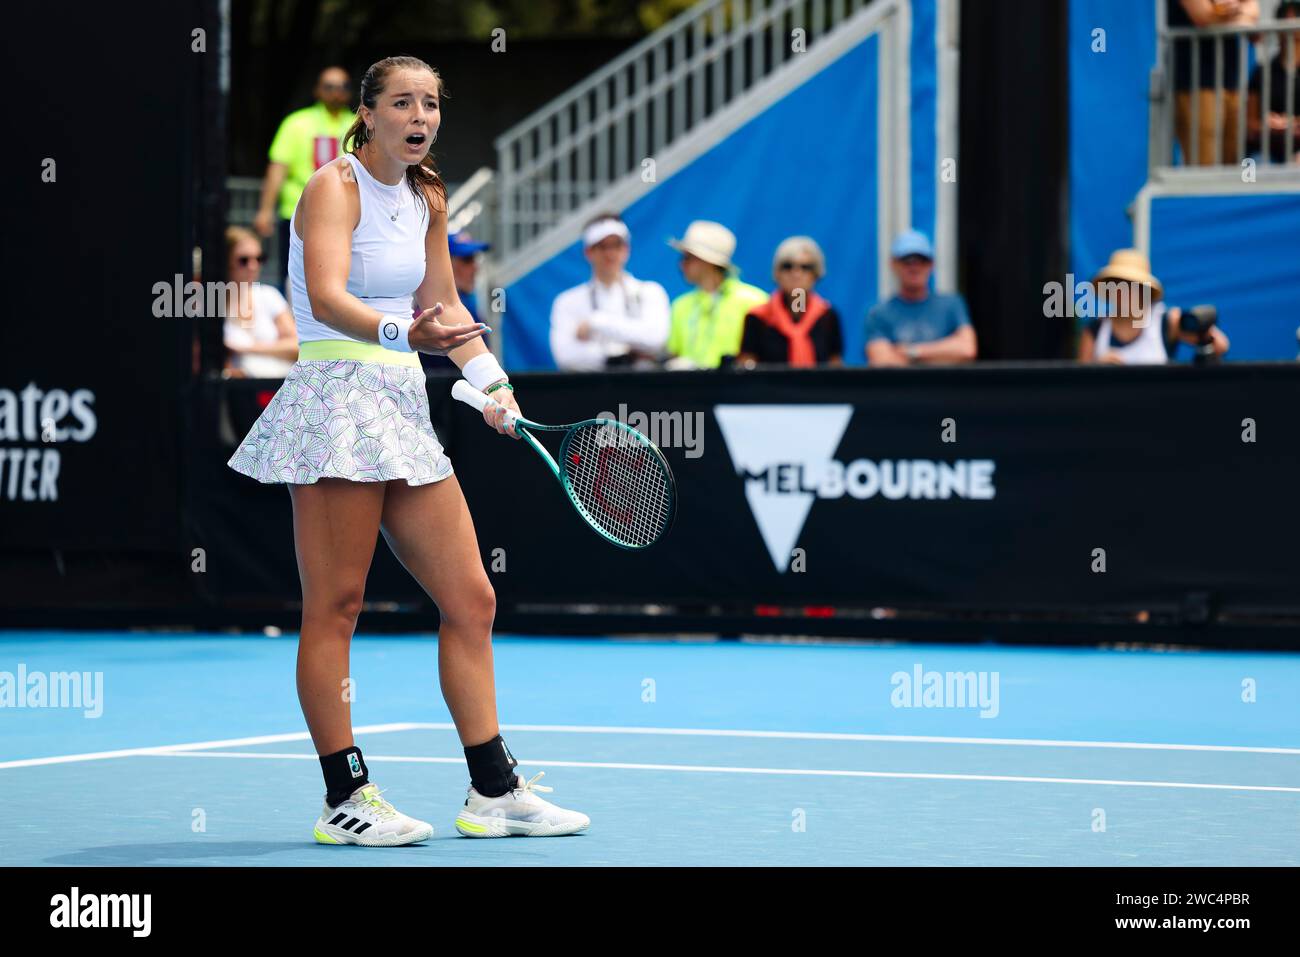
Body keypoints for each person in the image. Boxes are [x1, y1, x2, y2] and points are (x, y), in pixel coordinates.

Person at [228, 56, 589, 846]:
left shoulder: (427, 194)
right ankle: (343, 795)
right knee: (337, 606)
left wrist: (493, 383)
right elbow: (325, 296)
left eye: (430, 103)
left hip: (400, 404)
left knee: (472, 598)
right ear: (369, 113)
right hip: (333, 400)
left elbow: (443, 303)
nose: (420, 116)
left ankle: (494, 790)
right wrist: (405, 334)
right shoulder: (334, 186)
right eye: (402, 102)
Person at [253, 67, 357, 287]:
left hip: (347, 214)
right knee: (293, 277)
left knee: (344, 278)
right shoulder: (297, 122)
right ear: (317, 90)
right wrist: (265, 211)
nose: (336, 92)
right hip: (297, 212)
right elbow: (278, 168)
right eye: (329, 86)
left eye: (343, 87)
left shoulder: (360, 124)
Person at [549, 213, 670, 370]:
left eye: (616, 245)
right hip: (591, 391)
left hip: (644, 391)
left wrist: (596, 322)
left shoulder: (651, 292)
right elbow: (565, 355)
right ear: (588, 252)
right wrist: (625, 354)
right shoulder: (567, 301)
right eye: (602, 247)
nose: (610, 254)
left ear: (626, 249)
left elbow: (655, 339)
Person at [1077, 249, 1229, 364]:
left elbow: (1221, 345)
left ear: (1145, 290)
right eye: (1115, 284)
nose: (1122, 292)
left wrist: (1199, 327)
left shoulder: (1167, 320)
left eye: (1131, 285)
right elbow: (1080, 384)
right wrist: (1098, 367)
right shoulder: (1095, 329)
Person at [1168, 0, 1261, 166]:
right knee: (1204, 166)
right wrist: (1241, 17)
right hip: (1196, 82)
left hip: (1231, 82)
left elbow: (1254, 12)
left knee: (1233, 164)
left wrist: (1228, 13)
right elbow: (1203, 17)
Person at [865, 230, 977, 366]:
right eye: (907, 261)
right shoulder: (879, 313)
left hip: (942, 387)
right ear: (893, 264)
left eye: (922, 261)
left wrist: (911, 351)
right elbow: (882, 361)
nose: (914, 267)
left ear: (931, 265)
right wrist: (945, 353)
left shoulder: (952, 305)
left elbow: (967, 350)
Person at [665, 221, 767, 369]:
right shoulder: (680, 306)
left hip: (739, 390)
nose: (682, 264)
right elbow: (675, 355)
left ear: (707, 261)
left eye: (687, 257)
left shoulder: (754, 302)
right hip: (688, 391)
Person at [737, 236, 843, 367]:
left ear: (816, 274)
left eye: (805, 267)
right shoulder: (758, 318)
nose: (796, 274)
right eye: (787, 266)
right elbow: (746, 367)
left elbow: (835, 367)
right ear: (777, 273)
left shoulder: (827, 316)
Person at [222, 226, 298, 378]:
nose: (253, 266)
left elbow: (296, 346)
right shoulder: (210, 302)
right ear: (225, 260)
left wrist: (245, 348)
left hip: (274, 388)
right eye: (244, 260)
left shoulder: (268, 295)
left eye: (259, 258)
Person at [421, 230, 491, 374]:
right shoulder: (427, 312)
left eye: (474, 259)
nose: (475, 267)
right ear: (444, 264)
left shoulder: (468, 305)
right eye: (466, 260)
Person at [1247, 0, 1300, 165]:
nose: (1290, 30)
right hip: (1266, 149)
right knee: (1250, 170)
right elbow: (1249, 123)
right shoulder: (1262, 72)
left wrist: (1293, 123)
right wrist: (1268, 124)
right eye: (1285, 22)